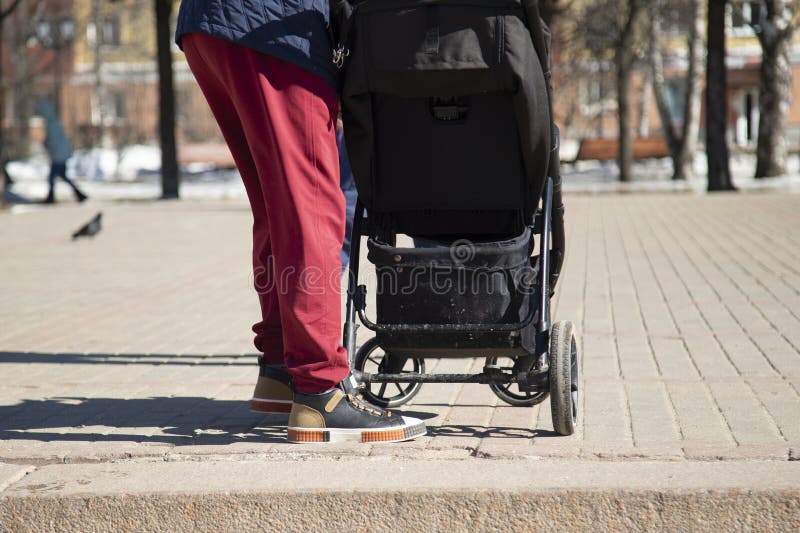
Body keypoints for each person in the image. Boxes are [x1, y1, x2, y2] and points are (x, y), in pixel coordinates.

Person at [175, 1, 425, 443]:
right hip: (277, 25)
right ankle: (321, 390)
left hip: (211, 22)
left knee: (278, 204)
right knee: (310, 207)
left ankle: (280, 367)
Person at [33, 99, 87, 204]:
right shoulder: (52, 121)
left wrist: (47, 143)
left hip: (59, 155)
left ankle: (52, 197)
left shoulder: (52, 122)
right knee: (60, 176)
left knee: (54, 176)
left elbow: (54, 140)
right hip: (59, 153)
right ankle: (78, 195)